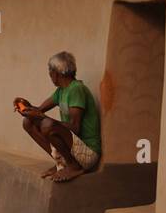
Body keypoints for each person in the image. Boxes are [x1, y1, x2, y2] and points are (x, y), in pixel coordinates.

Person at [16, 51, 102, 183]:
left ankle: (73, 166)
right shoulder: (61, 91)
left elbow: (75, 127)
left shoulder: (76, 89)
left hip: (87, 153)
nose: (49, 75)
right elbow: (38, 111)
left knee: (47, 124)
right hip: (74, 149)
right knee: (28, 122)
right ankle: (61, 162)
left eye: (50, 71)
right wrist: (25, 106)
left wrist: (41, 115)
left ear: (56, 73)